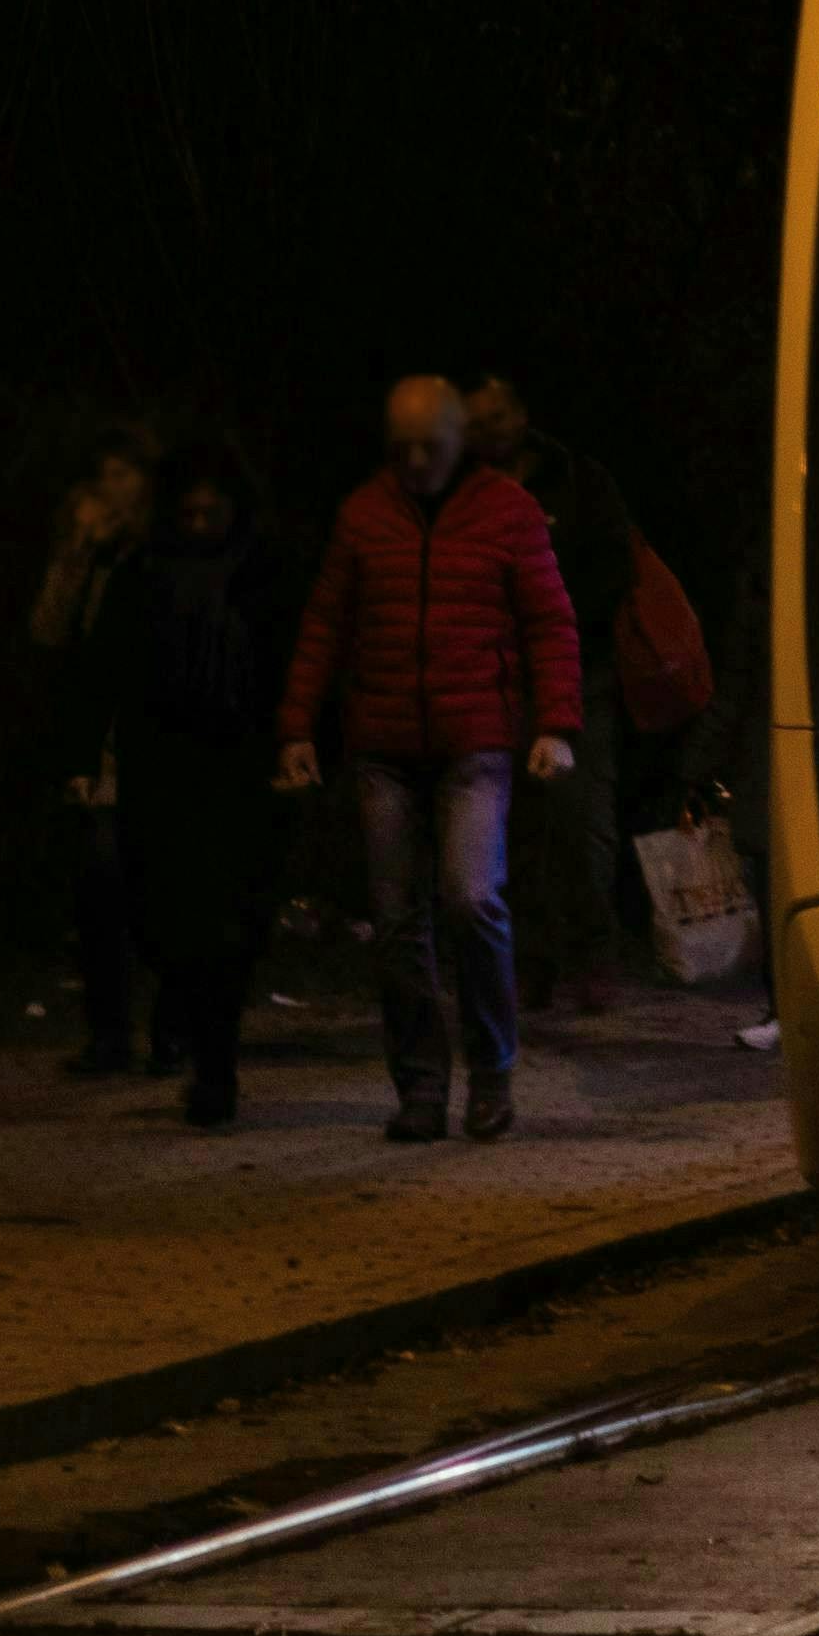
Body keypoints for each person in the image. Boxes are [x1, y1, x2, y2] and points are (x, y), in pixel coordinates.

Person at [276, 371, 580, 1141]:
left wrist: (557, 726)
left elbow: (549, 621)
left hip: (474, 741)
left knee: (473, 899)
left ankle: (490, 1074)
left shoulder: (507, 513)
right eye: (402, 449)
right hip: (383, 745)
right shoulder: (364, 514)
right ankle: (419, 1087)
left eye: (430, 447)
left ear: (459, 441)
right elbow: (325, 623)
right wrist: (296, 728)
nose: (416, 463)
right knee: (396, 922)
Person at [464, 371, 686, 1011]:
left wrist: (552, 621)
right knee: (514, 827)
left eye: (496, 416)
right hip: (493, 678)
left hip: (576, 671)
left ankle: (594, 954)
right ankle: (530, 961)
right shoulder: (462, 490)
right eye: (475, 422)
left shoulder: (576, 479)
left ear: (520, 414)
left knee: (579, 818)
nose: (488, 432)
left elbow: (613, 566)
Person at [113, 440, 298, 1126]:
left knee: (226, 924)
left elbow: (290, 658)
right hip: (161, 762)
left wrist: (296, 745)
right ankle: (189, 1016)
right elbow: (112, 663)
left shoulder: (260, 572)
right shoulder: (145, 572)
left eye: (209, 514)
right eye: (185, 514)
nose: (197, 526)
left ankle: (216, 1068)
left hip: (236, 762)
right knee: (160, 915)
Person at [26, 427, 158, 1077]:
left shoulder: (160, 559)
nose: (109, 492)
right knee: (100, 893)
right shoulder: (95, 561)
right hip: (99, 756)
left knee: (155, 896)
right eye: (102, 478)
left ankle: (171, 1031)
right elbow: (49, 632)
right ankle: (111, 1037)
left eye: (122, 477)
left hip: (155, 750)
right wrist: (73, 554)